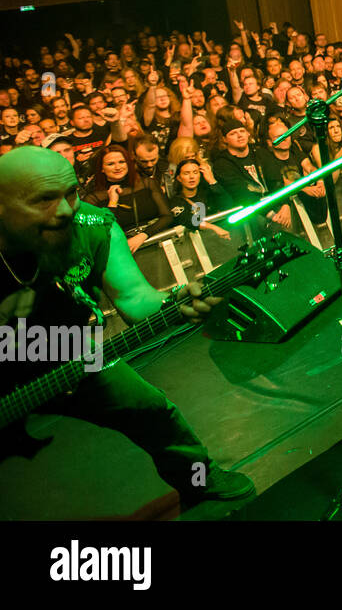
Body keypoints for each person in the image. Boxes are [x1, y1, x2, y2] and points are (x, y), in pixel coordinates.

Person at [0, 146, 254, 507]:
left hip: (66, 353)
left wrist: (173, 302)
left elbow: (134, 298)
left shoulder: (92, 225)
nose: (64, 211)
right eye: (43, 200)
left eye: (71, 193)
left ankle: (198, 479)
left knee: (150, 409)